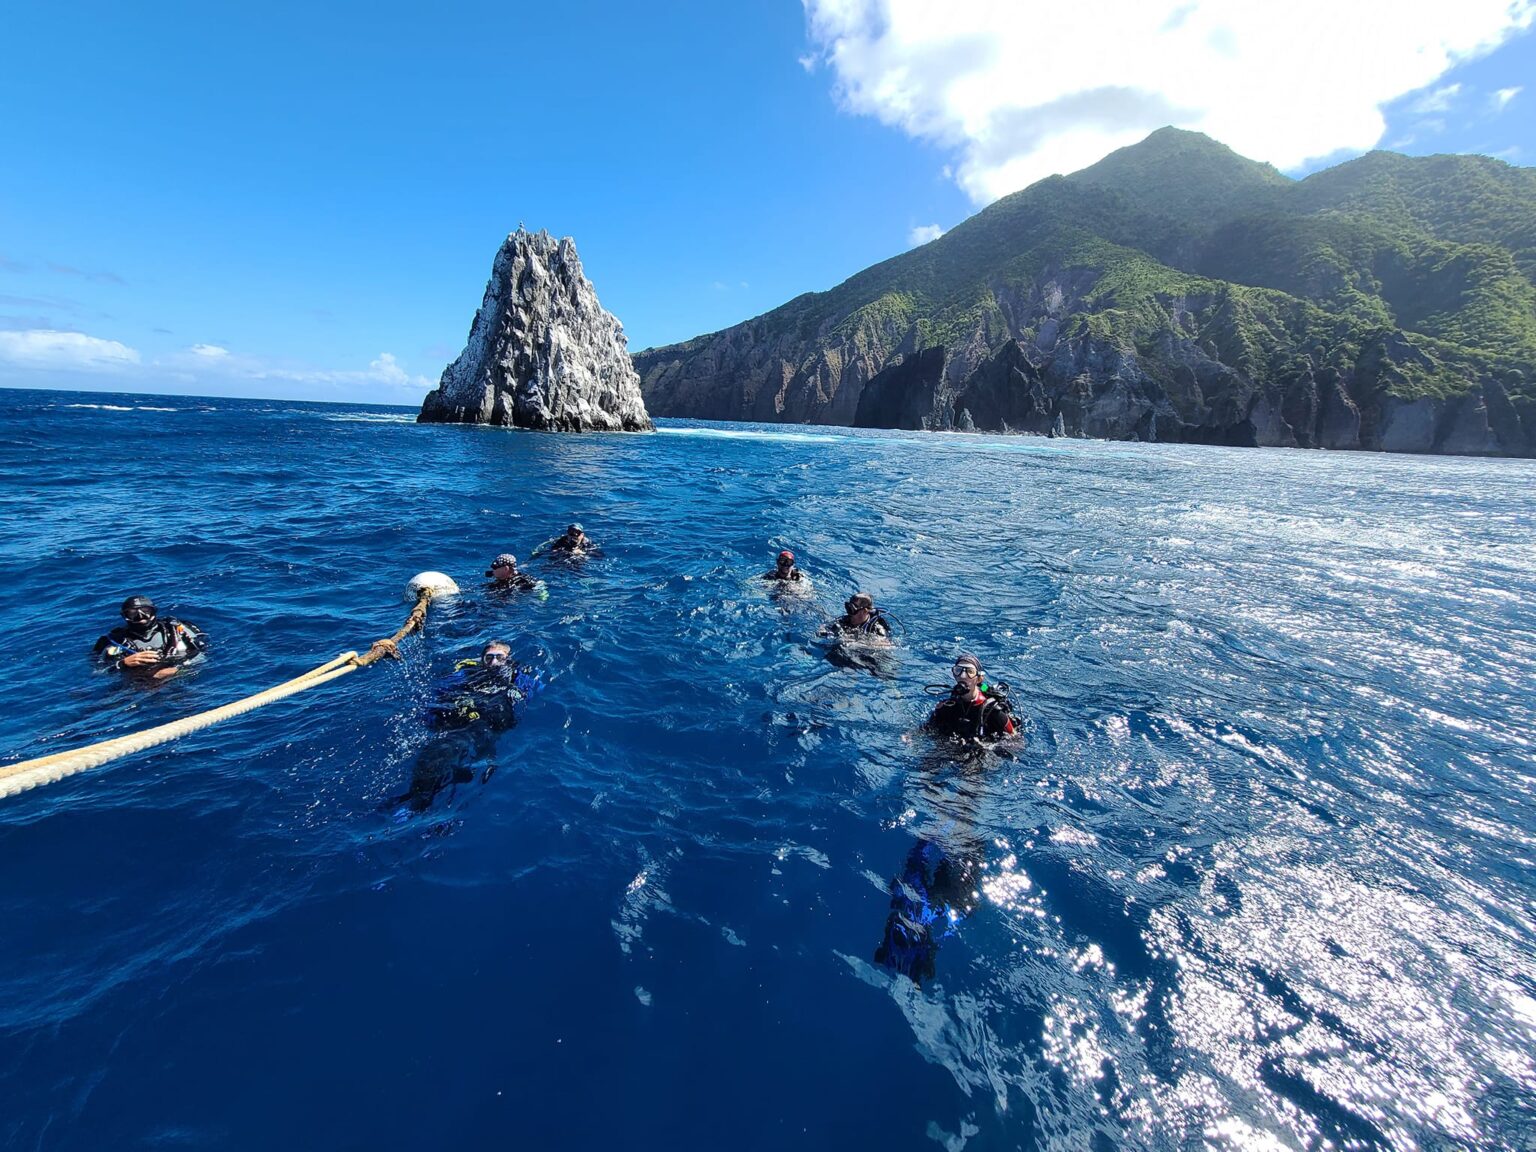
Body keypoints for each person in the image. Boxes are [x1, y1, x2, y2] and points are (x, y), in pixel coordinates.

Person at [394, 640, 544, 813]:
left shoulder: (517, 677)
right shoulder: (468, 673)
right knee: (440, 750)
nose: (494, 662)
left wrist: (522, 692)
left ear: (508, 659)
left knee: (473, 752)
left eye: (499, 658)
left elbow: (537, 689)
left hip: (489, 724)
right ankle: (417, 801)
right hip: (463, 720)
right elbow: (440, 689)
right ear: (482, 660)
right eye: (489, 658)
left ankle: (440, 798)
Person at [93, 595, 207, 681]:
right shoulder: (113, 640)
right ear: (124, 616)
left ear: (154, 612)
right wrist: (123, 664)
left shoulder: (177, 629)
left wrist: (178, 670)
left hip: (178, 679)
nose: (141, 616)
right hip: (136, 685)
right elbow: (97, 673)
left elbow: (205, 654)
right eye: (133, 613)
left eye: (146, 611)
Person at [923, 653, 1015, 743]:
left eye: (970, 672)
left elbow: (1015, 741)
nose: (963, 676)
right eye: (958, 670)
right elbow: (926, 730)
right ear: (954, 675)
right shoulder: (946, 707)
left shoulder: (993, 711)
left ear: (979, 679)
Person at [827, 591, 891, 640]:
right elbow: (822, 629)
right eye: (848, 608)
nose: (850, 614)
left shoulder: (877, 626)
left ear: (865, 611)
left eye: (852, 609)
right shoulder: (844, 620)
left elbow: (887, 645)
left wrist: (856, 642)